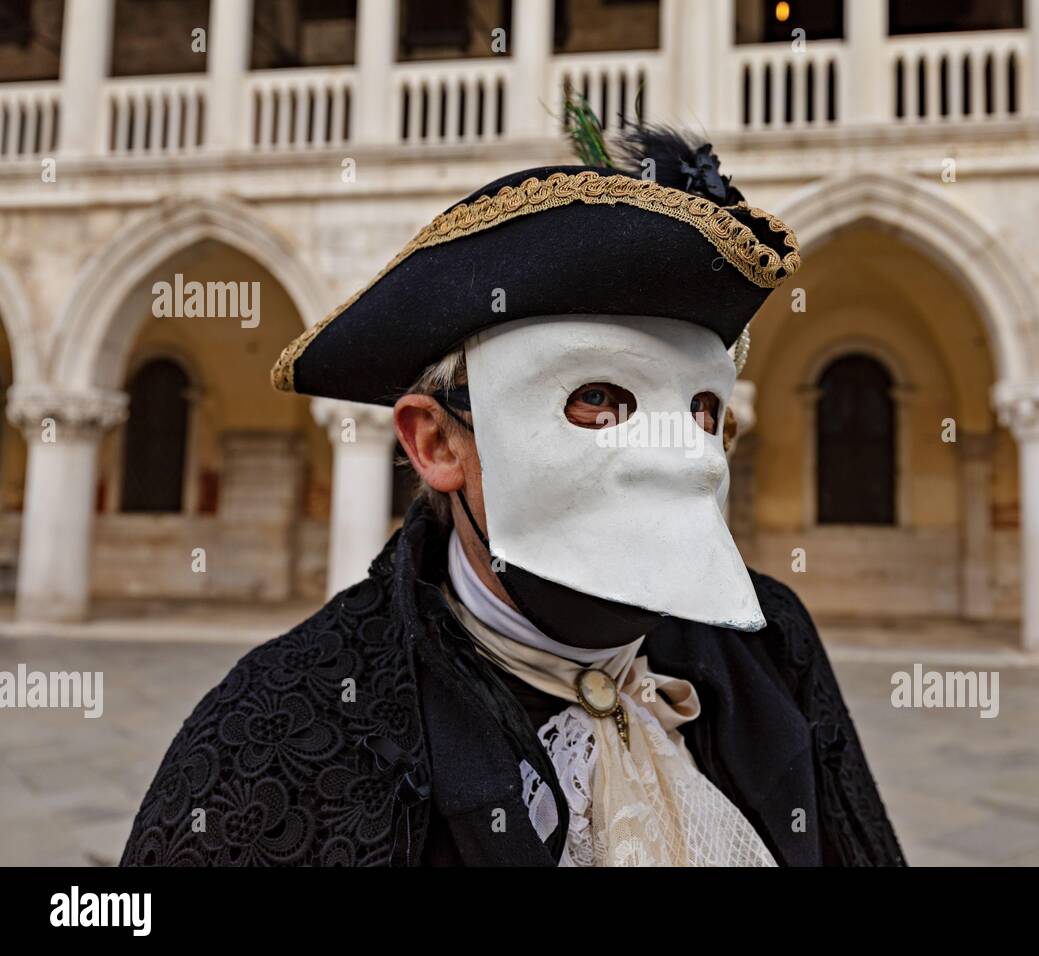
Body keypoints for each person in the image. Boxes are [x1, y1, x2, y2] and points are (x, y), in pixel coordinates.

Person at [121, 124, 905, 867]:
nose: (679, 456)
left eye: (703, 411)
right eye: (598, 397)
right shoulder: (280, 728)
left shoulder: (768, 647)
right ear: (437, 443)